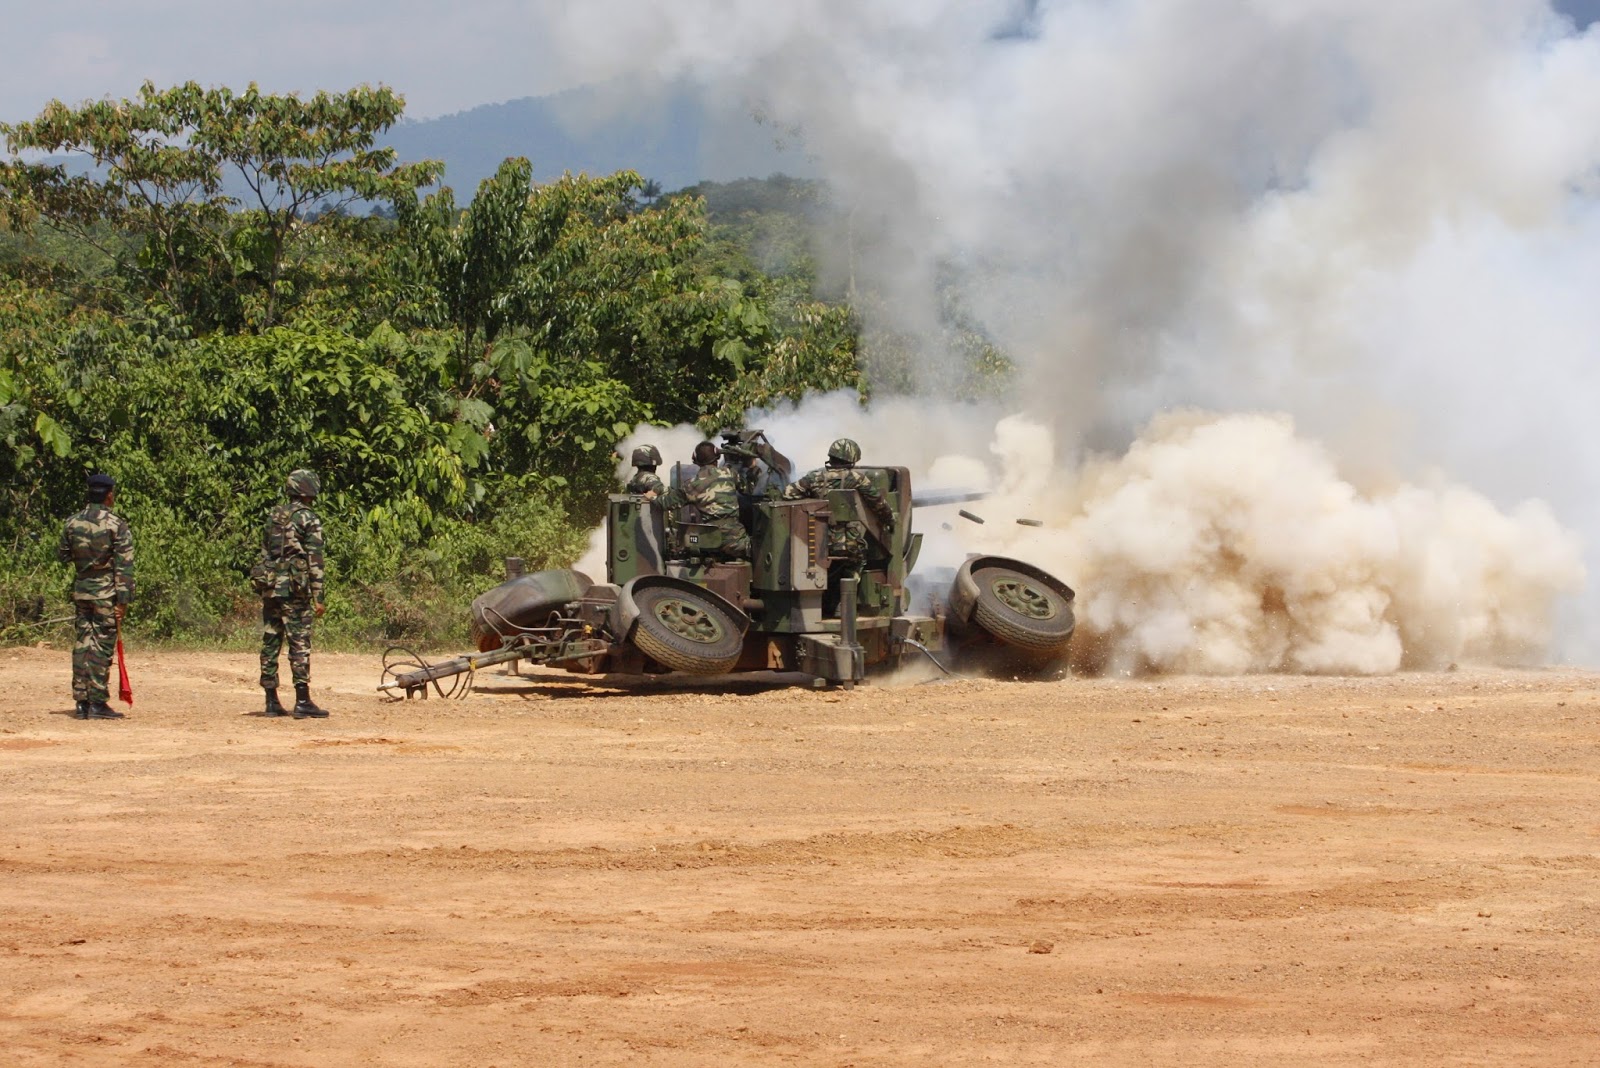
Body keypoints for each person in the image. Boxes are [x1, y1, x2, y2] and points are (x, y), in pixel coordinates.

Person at [782, 438, 895, 613]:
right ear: (852, 459)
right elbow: (878, 503)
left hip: (816, 542)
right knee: (858, 559)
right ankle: (844, 603)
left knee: (827, 568)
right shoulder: (856, 479)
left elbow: (788, 494)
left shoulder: (814, 477)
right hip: (846, 542)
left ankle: (824, 602)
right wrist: (890, 521)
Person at [57, 473, 134, 720]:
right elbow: (124, 566)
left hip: (82, 590)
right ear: (109, 495)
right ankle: (98, 702)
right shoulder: (116, 524)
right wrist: (123, 601)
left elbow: (63, 555)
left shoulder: (72, 522)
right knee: (101, 645)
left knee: (83, 643)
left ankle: (82, 701)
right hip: (106, 593)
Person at [255, 469, 329, 718]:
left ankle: (271, 700)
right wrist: (319, 596)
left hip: (271, 585)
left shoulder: (274, 515)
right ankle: (302, 700)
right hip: (295, 590)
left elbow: (265, 552)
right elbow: (314, 560)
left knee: (271, 639)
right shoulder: (308, 518)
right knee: (299, 641)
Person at [659, 441, 750, 560]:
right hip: (737, 544)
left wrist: (652, 496)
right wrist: (749, 464)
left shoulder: (691, 485)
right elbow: (748, 488)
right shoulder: (730, 474)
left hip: (710, 543)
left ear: (695, 460)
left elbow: (665, 503)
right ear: (717, 458)